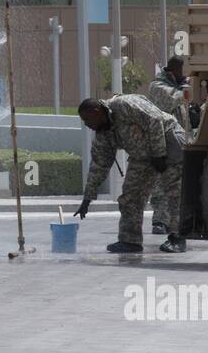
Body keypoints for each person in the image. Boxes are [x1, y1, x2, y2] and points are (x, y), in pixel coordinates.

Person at [74, 95, 187, 254]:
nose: (87, 125)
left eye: (87, 119)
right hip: (142, 156)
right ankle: (130, 241)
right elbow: (99, 164)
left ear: (97, 111)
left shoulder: (124, 104)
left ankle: (178, 238)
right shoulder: (103, 133)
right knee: (130, 197)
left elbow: (155, 120)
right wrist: (87, 198)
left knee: (175, 194)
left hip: (167, 142)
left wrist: (159, 154)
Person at [147, 56, 191, 235]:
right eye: (183, 71)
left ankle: (175, 222)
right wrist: (190, 90)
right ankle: (159, 220)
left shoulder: (180, 86)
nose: (186, 75)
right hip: (161, 142)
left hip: (179, 142)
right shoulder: (157, 86)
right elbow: (171, 100)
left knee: (177, 185)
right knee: (160, 183)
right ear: (173, 71)